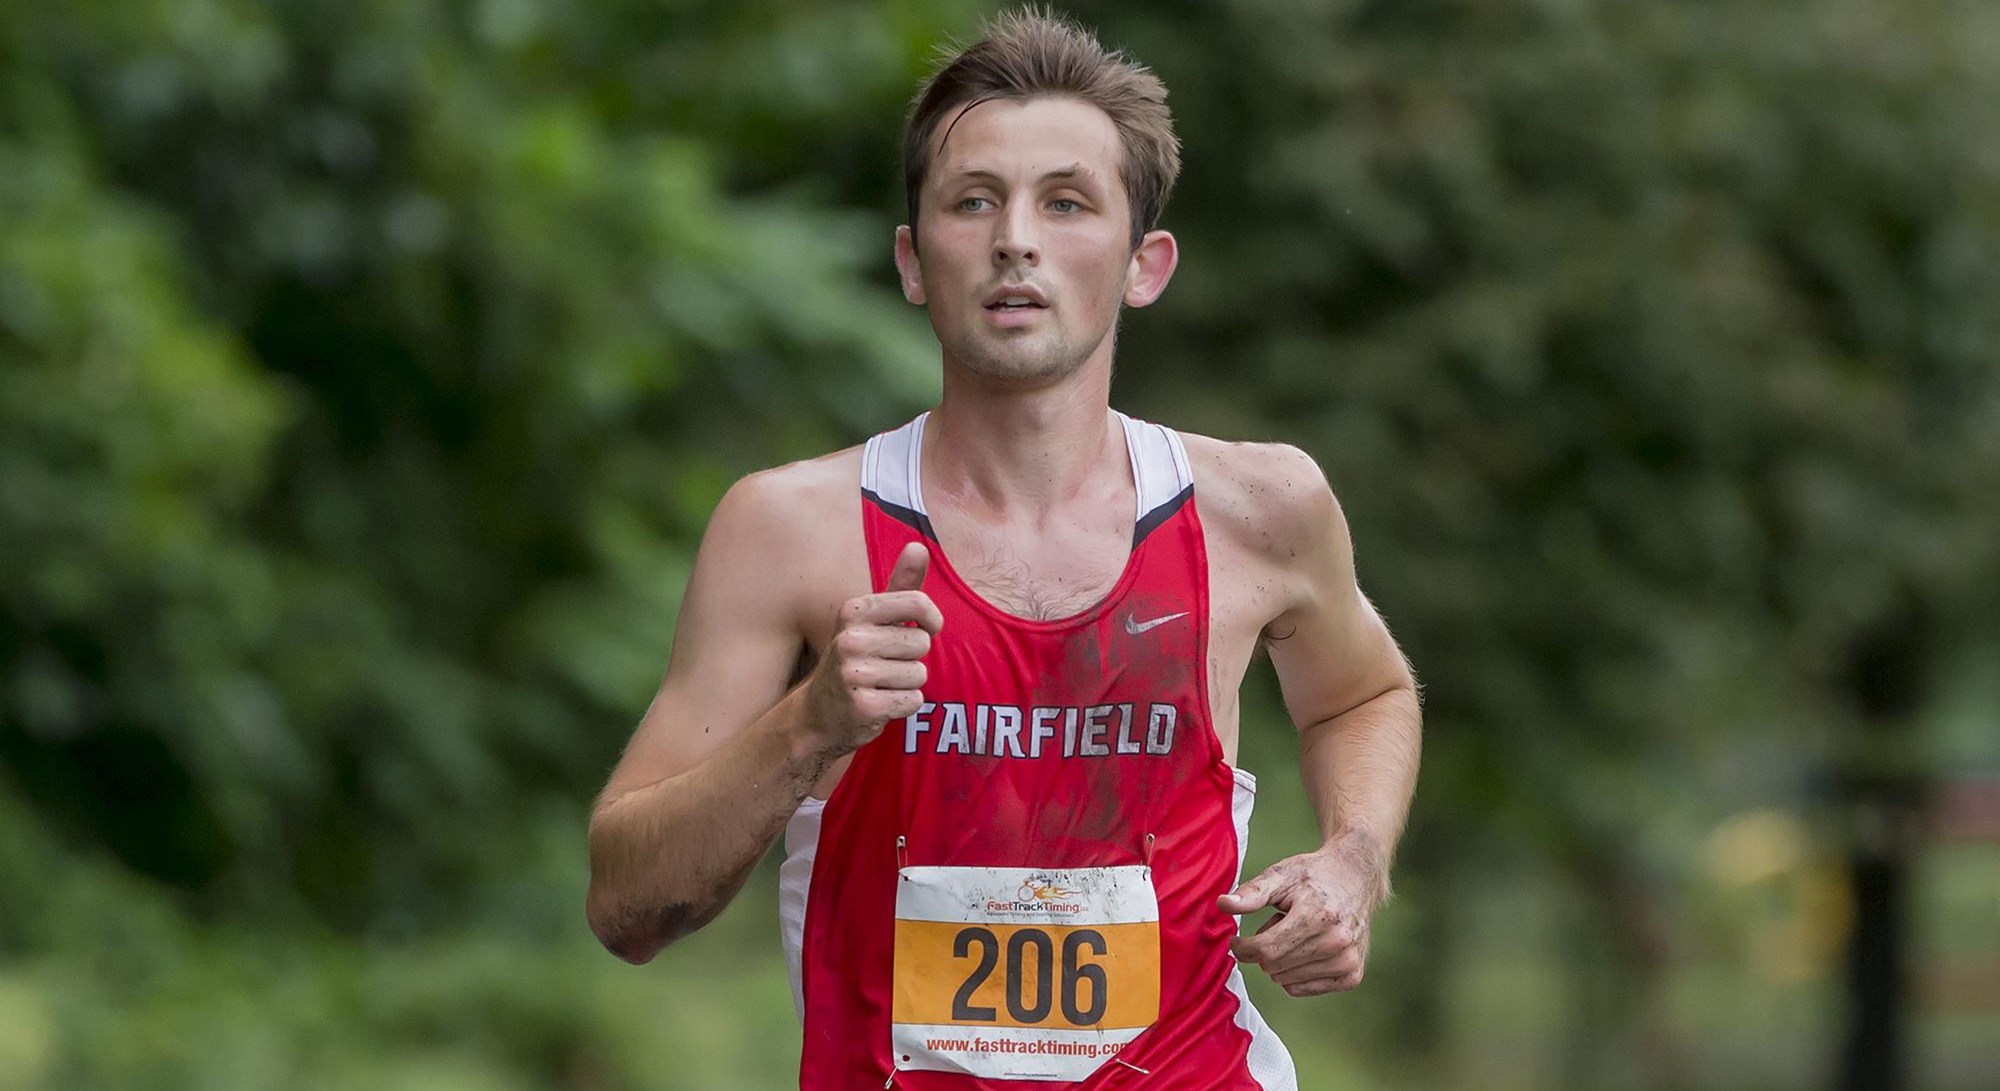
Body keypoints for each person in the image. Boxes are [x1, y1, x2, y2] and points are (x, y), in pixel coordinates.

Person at [585, 8, 1421, 1088]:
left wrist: (1353, 860)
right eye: (972, 201)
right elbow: (624, 907)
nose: (1013, 237)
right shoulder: (790, 528)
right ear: (912, 261)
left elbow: (1361, 693)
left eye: (1065, 203)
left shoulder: (1259, 508)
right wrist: (808, 726)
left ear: (1143, 264)